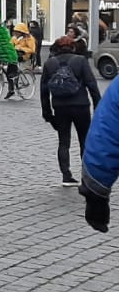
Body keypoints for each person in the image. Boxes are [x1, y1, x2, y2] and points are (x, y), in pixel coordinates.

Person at [41, 35, 102, 187]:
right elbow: (92, 86)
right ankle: (87, 175)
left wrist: (47, 113)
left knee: (63, 141)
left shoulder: (49, 63)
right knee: (85, 141)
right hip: (80, 105)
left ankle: (66, 176)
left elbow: (43, 91)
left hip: (60, 107)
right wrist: (98, 108)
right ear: (73, 47)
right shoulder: (80, 61)